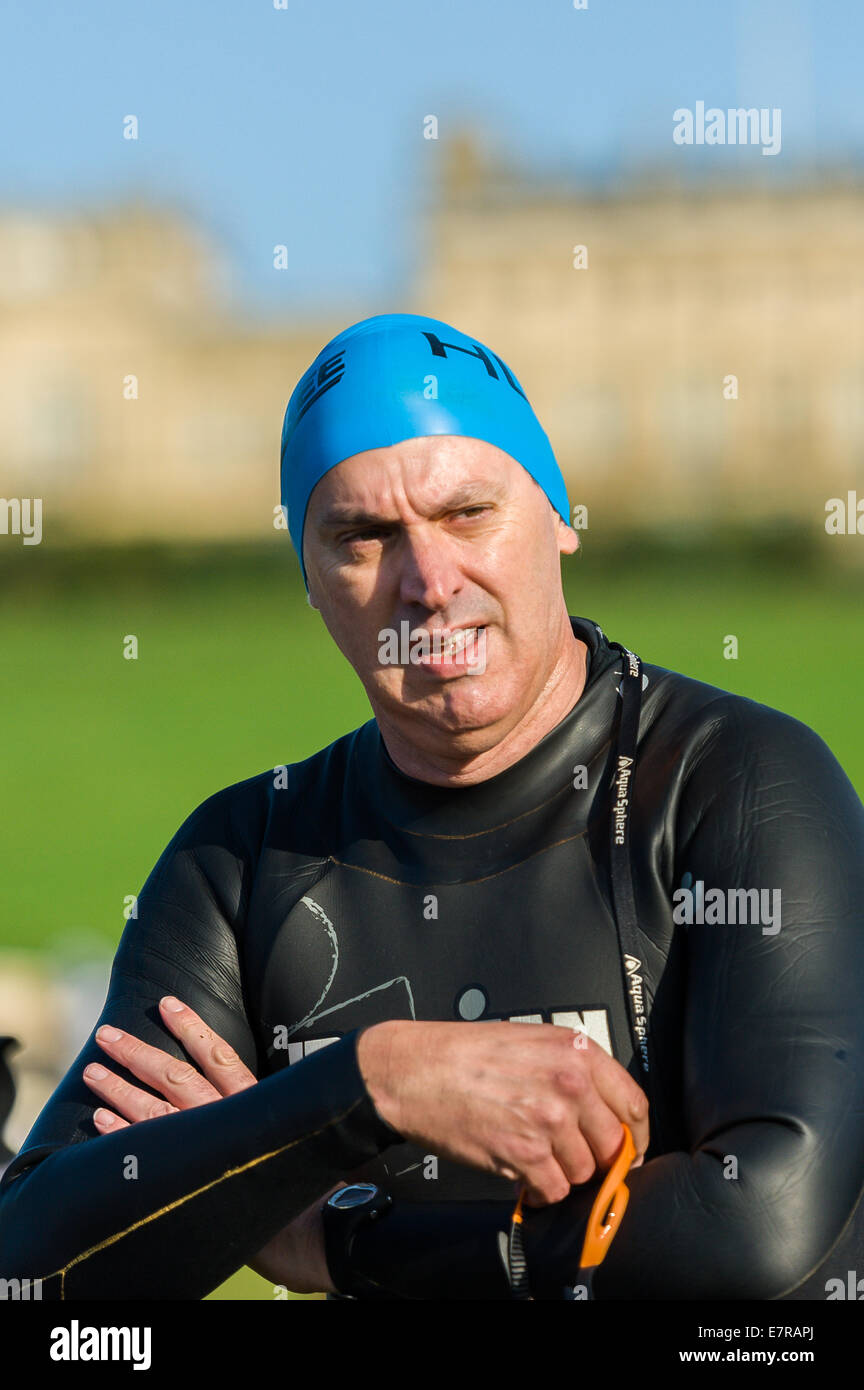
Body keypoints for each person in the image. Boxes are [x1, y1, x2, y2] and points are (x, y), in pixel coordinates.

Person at [1, 313, 862, 1301]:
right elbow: (35, 1275)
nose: (429, 583)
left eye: (467, 514)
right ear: (313, 585)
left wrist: (339, 1241)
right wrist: (366, 1087)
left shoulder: (738, 783)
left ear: (558, 512)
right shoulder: (245, 860)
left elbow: (763, 1233)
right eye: (363, 536)